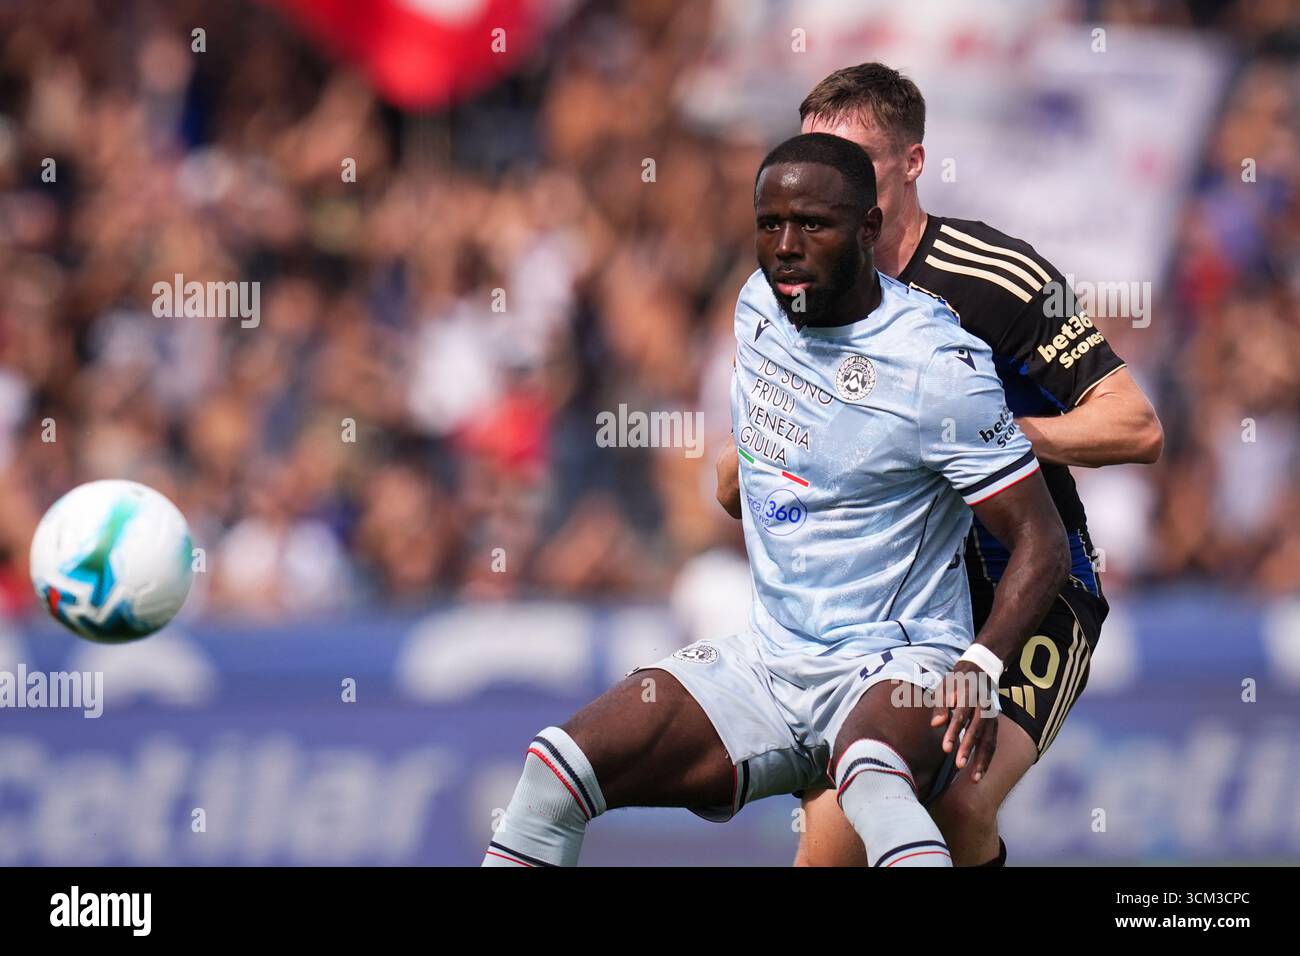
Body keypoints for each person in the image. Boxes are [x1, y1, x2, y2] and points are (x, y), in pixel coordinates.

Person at [484, 132, 1068, 868]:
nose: (786, 245)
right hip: (771, 658)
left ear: (867, 230)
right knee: (552, 770)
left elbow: (1040, 540)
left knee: (874, 779)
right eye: (770, 224)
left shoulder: (937, 364)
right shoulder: (757, 307)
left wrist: (981, 667)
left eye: (813, 225)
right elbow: (779, 450)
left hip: (898, 662)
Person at [715, 63, 1164, 867]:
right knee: (829, 843)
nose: (827, 185)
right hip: (887, 618)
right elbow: (738, 474)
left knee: (959, 801)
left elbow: (1134, 424)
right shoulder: (797, 291)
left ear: (911, 165)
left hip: (1023, 593)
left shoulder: (1003, 279)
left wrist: (982, 439)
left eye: (850, 164)